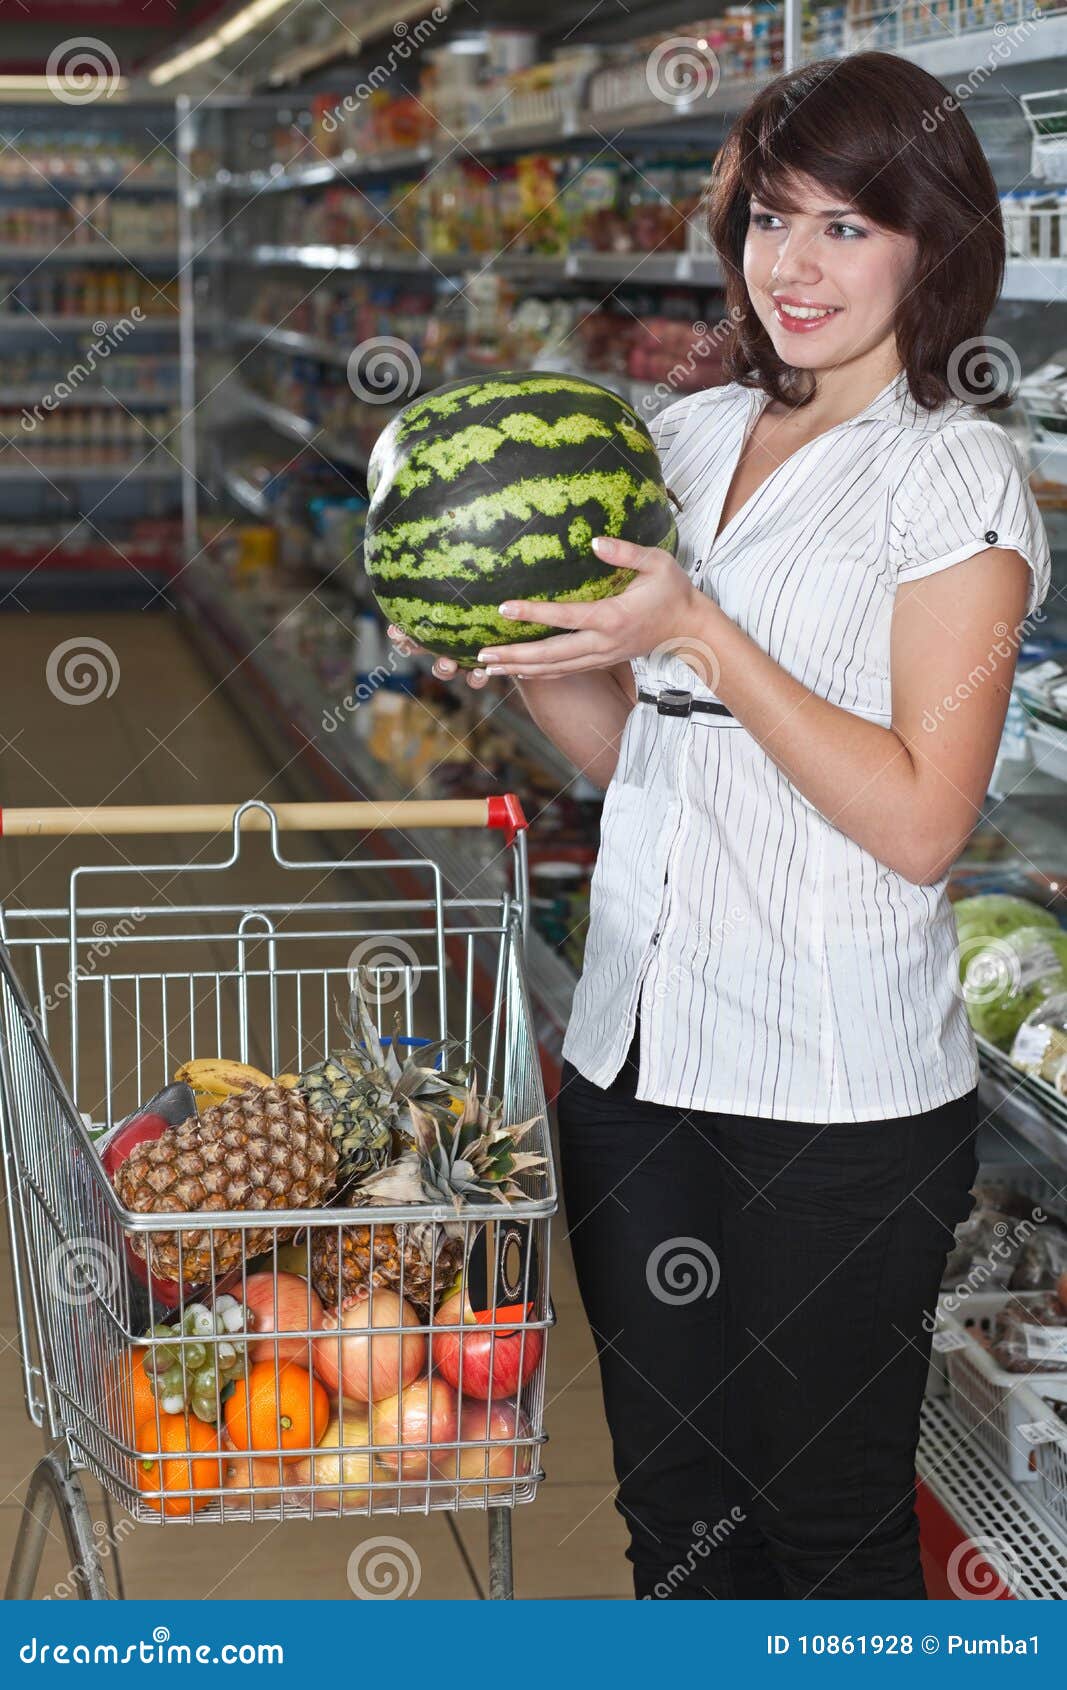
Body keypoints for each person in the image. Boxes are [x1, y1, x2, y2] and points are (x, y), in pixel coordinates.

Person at [388, 50, 1050, 1598]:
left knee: (824, 1534)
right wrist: (512, 652)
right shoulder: (679, 443)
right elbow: (642, 764)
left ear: (930, 245)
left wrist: (697, 626)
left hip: (833, 1100)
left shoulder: (954, 481)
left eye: (845, 227)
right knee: (678, 1523)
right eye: (771, 218)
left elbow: (919, 823)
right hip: (632, 1061)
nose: (793, 266)